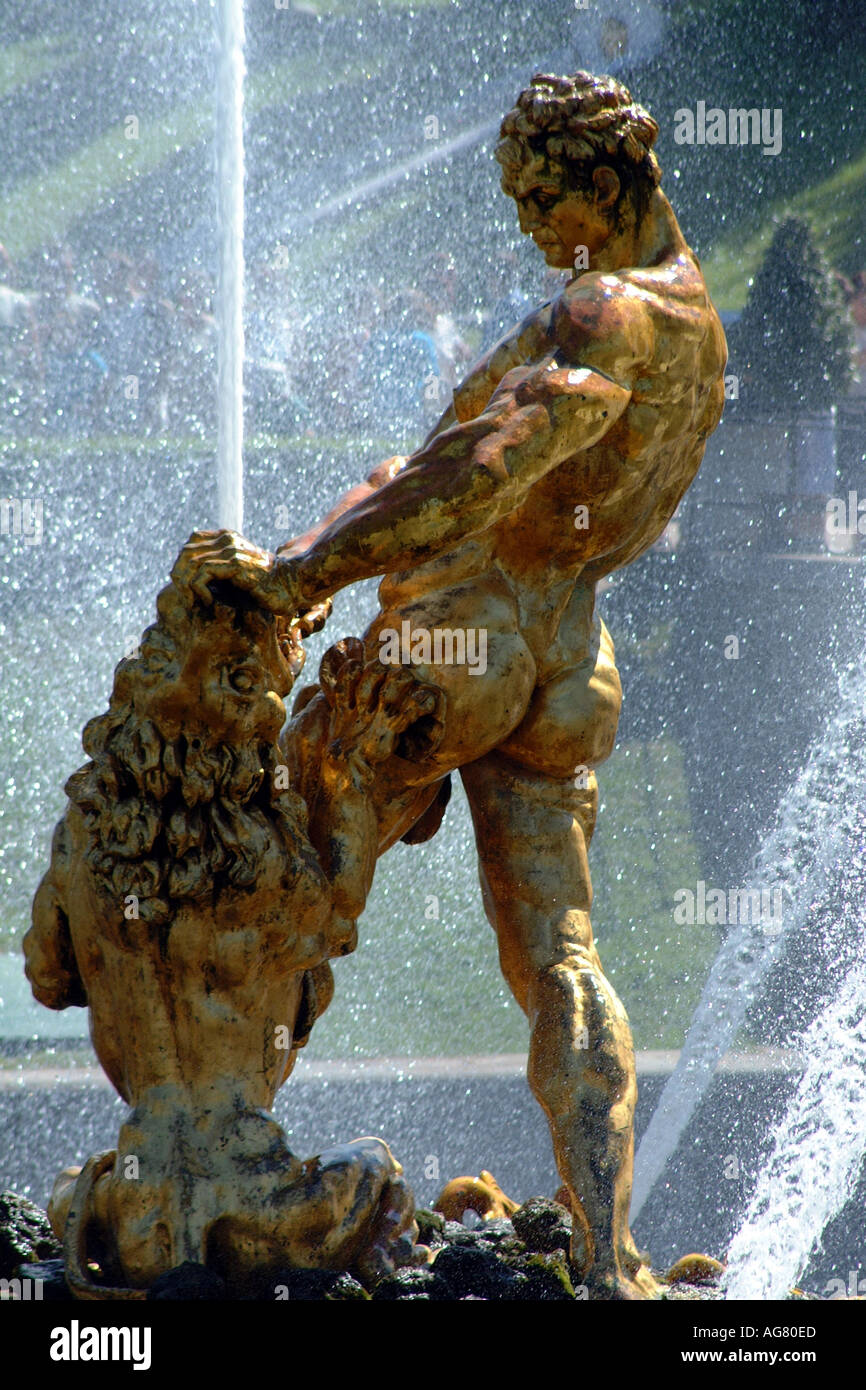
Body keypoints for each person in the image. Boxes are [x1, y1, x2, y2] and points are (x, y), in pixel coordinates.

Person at [173, 69, 727, 1299]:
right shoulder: (700, 328)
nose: (531, 230)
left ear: (604, 174)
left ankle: (205, 1169)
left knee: (300, 869)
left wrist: (303, 571)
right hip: (569, 658)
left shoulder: (600, 315)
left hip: (463, 633)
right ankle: (607, 1255)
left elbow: (479, 472)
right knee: (562, 957)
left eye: (540, 199)